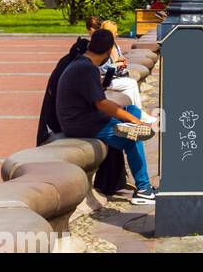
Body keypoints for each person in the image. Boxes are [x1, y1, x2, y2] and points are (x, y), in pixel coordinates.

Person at [55, 28, 156, 206]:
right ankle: (144, 189)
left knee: (131, 109)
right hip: (82, 124)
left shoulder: (81, 63)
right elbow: (101, 103)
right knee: (132, 138)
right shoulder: (87, 69)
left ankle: (134, 125)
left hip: (85, 118)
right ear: (109, 50)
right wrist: (134, 121)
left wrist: (129, 116)